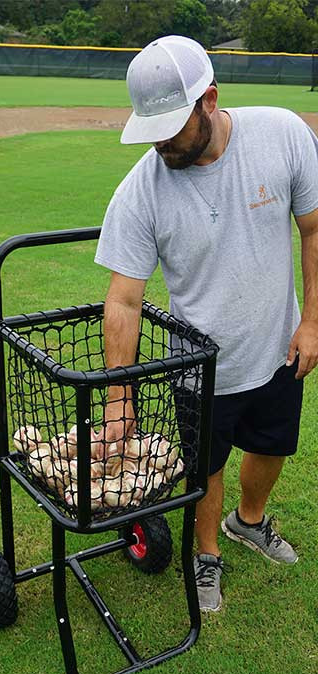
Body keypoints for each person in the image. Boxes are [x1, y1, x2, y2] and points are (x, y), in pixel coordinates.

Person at [94, 35, 318, 612]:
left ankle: (250, 521)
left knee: (272, 447)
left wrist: (312, 322)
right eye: (151, 130)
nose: (161, 143)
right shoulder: (140, 192)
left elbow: (314, 229)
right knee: (206, 468)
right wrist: (119, 398)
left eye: (171, 127)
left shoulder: (283, 135)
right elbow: (124, 302)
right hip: (199, 369)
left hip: (279, 347)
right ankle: (208, 554)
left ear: (209, 101)